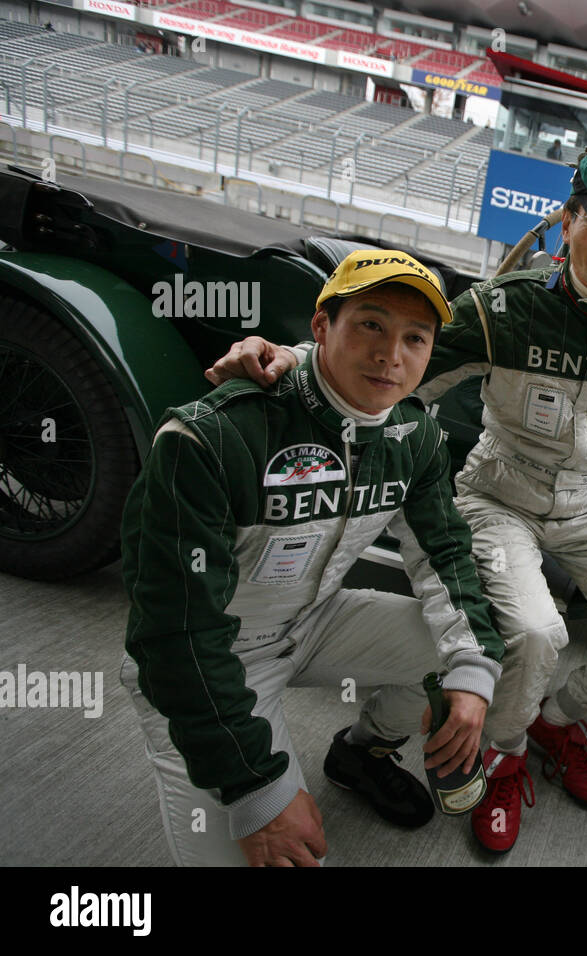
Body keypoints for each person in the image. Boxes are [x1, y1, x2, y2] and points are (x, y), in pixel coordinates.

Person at [209, 145, 587, 855]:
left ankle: (554, 721)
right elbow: (394, 362)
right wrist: (293, 358)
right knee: (535, 633)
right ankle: (503, 755)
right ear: (569, 222)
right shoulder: (506, 307)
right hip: (498, 496)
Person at [121, 251, 503, 866]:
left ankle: (361, 752)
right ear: (321, 326)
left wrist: (473, 676)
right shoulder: (214, 434)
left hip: (313, 622)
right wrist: (258, 789)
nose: (391, 355)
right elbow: (173, 633)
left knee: (465, 650)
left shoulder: (415, 438)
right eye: (371, 325)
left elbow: (446, 554)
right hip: (210, 659)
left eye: (415, 338)